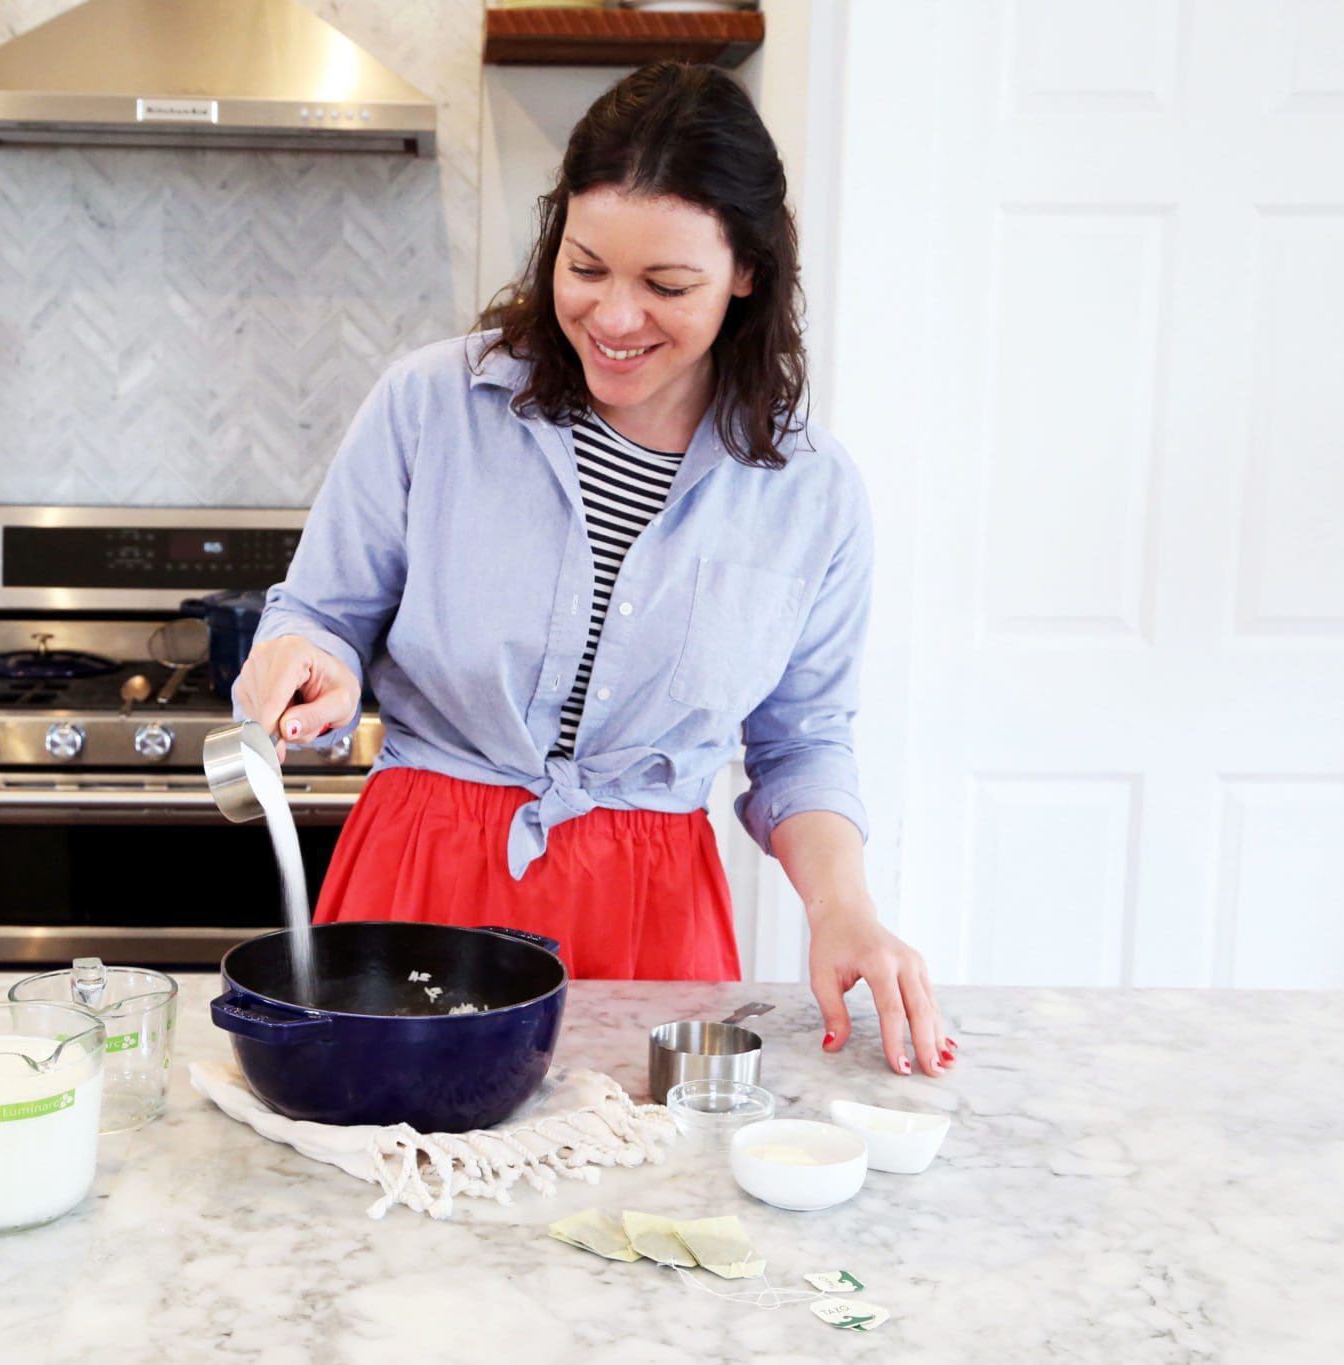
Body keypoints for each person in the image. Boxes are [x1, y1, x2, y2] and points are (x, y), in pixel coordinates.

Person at [236, 62, 954, 1078]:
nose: (614, 320)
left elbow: (801, 743)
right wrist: (310, 663)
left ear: (746, 272)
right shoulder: (430, 404)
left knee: (635, 1214)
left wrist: (844, 912)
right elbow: (319, 615)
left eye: (665, 285)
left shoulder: (809, 492)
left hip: (651, 912)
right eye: (585, 269)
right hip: (417, 878)